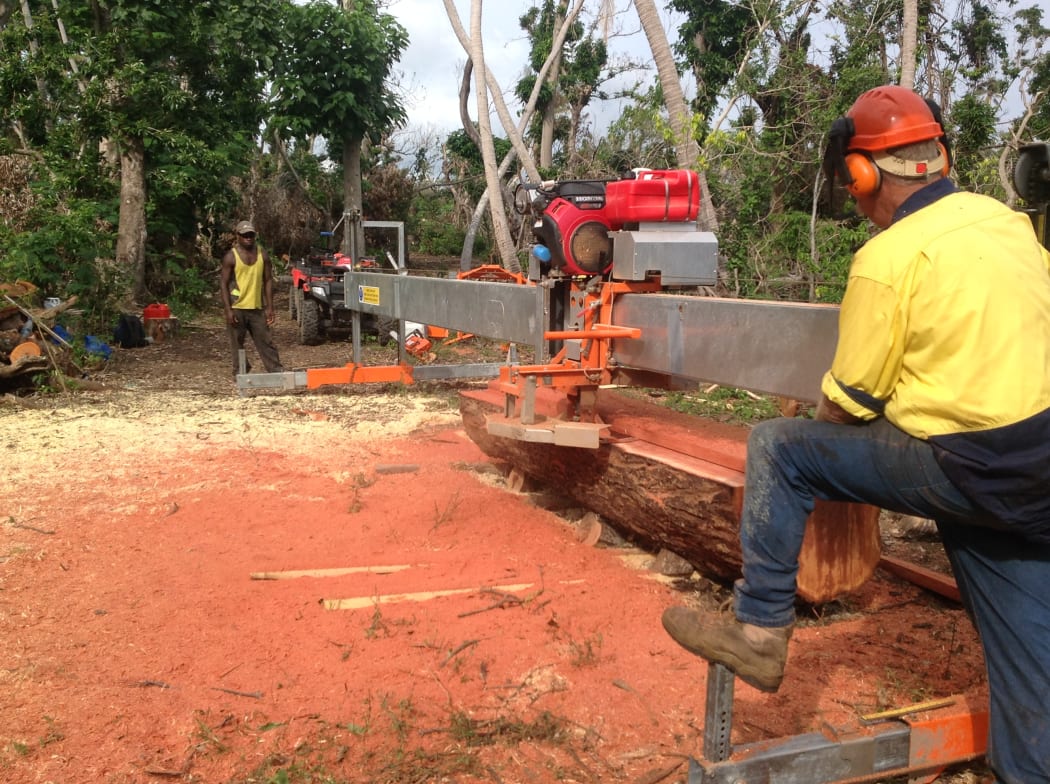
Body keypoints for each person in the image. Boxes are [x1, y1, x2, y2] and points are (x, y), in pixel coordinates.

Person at [661, 85, 1050, 783]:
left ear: (865, 175)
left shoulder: (889, 256)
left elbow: (846, 405)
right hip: (1039, 472)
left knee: (781, 449)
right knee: (1030, 652)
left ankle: (757, 632)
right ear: (941, 156)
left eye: (852, 183)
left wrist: (821, 477)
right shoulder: (1008, 223)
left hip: (974, 463)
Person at [220, 220, 284, 378]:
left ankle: (276, 371)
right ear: (238, 236)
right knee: (237, 342)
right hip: (237, 306)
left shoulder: (263, 254)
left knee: (265, 341)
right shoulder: (231, 257)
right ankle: (240, 372)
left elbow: (268, 280)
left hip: (256, 307)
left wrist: (270, 307)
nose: (248, 238)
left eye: (251, 235)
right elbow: (223, 283)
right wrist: (228, 310)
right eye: (245, 235)